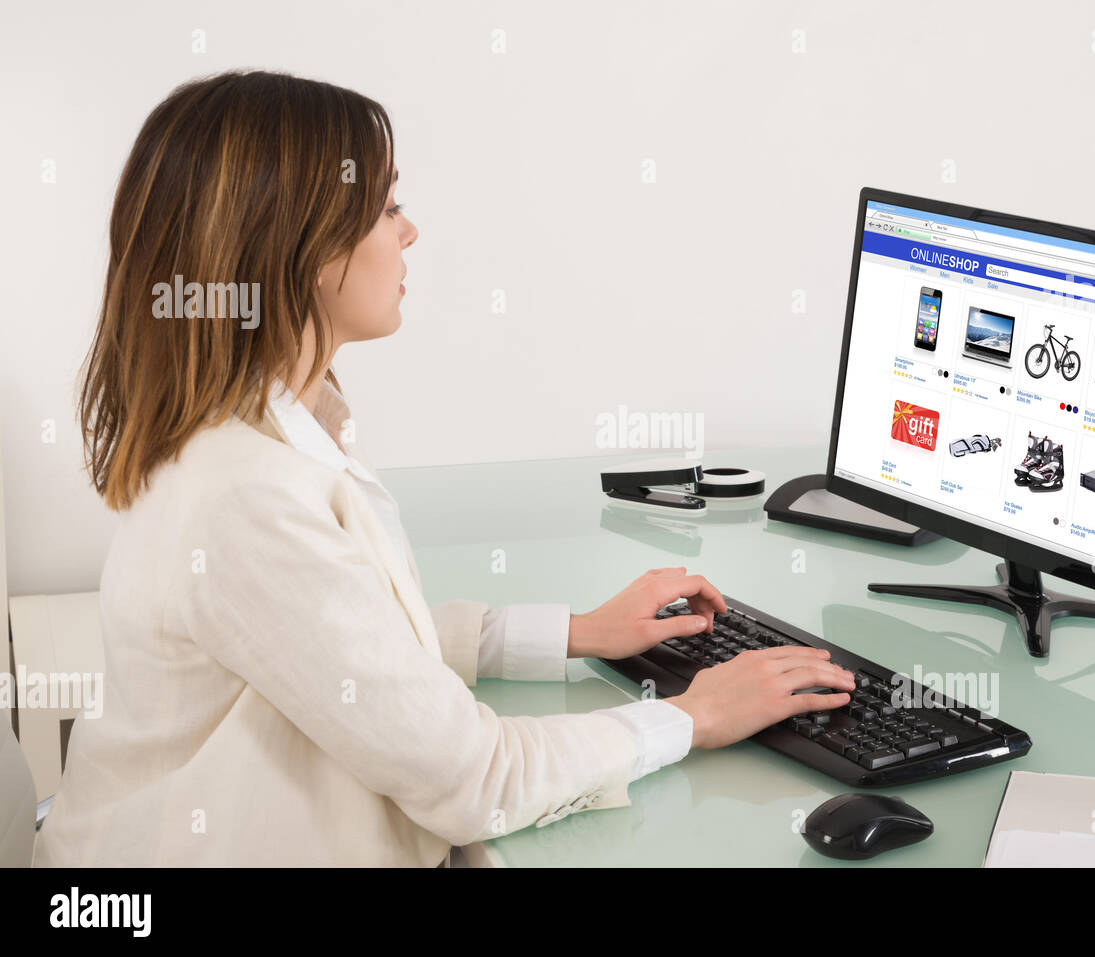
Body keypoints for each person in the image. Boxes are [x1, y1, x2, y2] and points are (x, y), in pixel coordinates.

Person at [34, 70, 854, 866]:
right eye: (388, 206)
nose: (410, 231)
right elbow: (475, 781)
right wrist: (693, 715)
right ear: (307, 250)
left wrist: (575, 633)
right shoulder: (244, 492)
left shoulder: (272, 422)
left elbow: (358, 644)